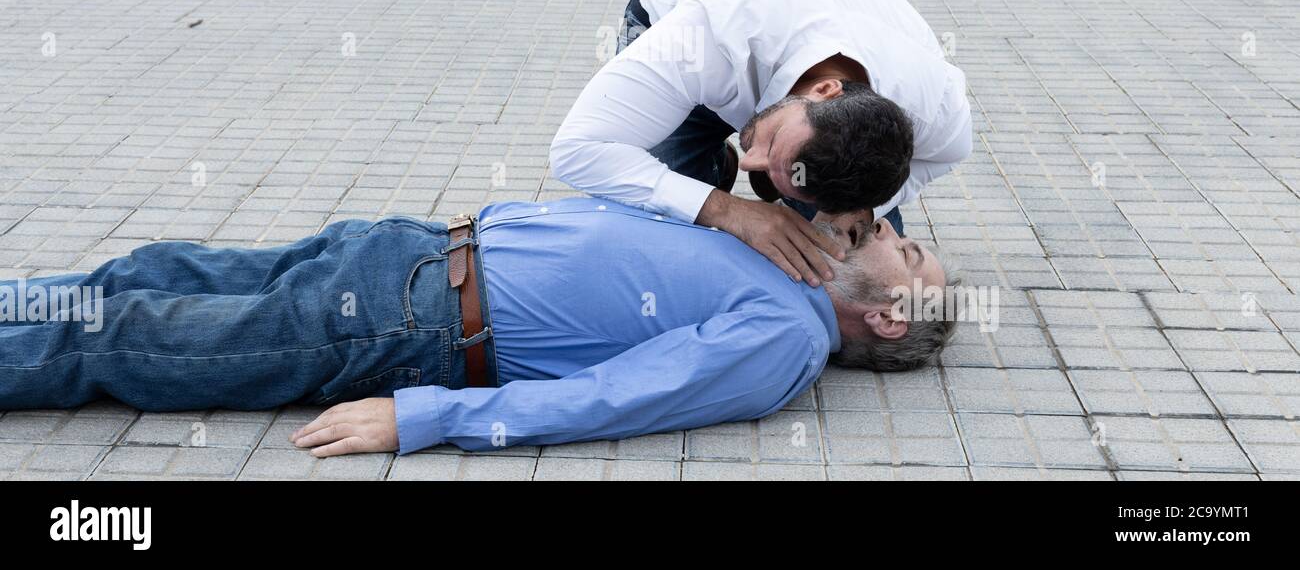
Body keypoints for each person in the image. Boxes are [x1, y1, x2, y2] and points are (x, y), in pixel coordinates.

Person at [0, 198, 956, 457]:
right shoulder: (785, 244)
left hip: (403, 326)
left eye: (910, 259)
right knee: (146, 273)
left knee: (120, 336)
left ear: (880, 318)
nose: (897, 234)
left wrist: (421, 420)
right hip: (404, 251)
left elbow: (617, 399)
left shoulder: (786, 341)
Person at [550, 0, 972, 287]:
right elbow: (577, 151)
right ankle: (710, 159)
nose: (753, 162)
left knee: (852, 263)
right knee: (659, 233)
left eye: (773, 157)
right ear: (823, 91)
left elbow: (949, 155)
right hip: (694, 21)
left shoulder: (934, 102)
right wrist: (728, 210)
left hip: (834, 8)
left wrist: (860, 209)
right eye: (770, 148)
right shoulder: (708, 31)